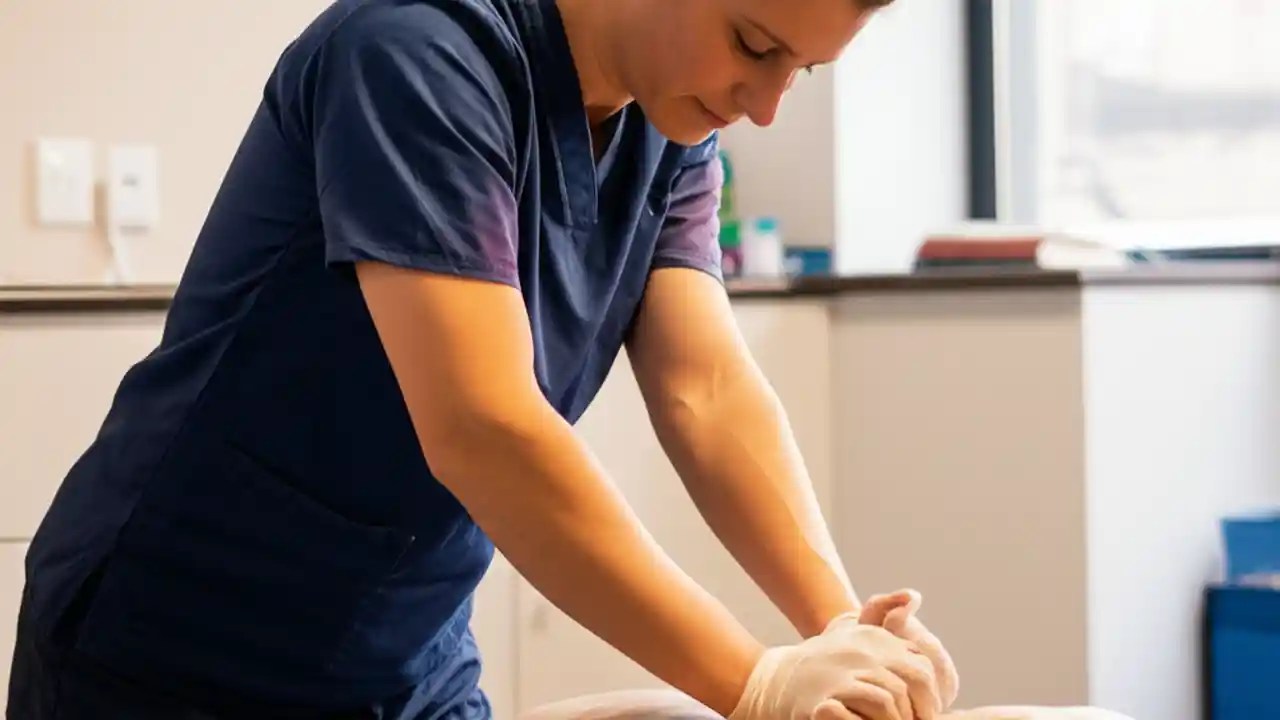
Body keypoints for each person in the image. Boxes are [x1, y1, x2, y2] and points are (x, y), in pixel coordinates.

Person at [7, 0, 959, 718]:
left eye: (802, 70)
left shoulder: (672, 123)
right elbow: (483, 427)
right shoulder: (416, 53)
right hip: (178, 647)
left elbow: (705, 391)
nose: (767, 107)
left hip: (403, 658)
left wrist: (846, 632)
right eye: (755, 46)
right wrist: (756, 684)